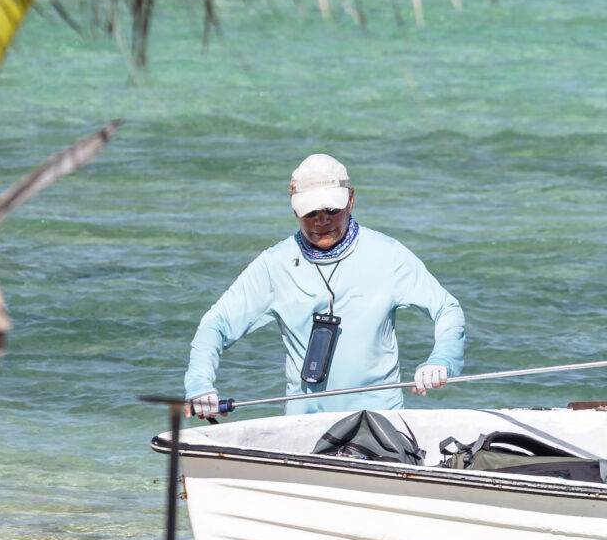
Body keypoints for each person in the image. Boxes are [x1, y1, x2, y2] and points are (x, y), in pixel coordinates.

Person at [184, 154, 466, 417]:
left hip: (380, 421)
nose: (322, 220)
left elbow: (447, 309)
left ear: (351, 200)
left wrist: (442, 359)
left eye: (332, 209)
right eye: (311, 212)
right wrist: (199, 385)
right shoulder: (274, 265)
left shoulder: (389, 255)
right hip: (305, 424)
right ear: (294, 210)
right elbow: (215, 325)